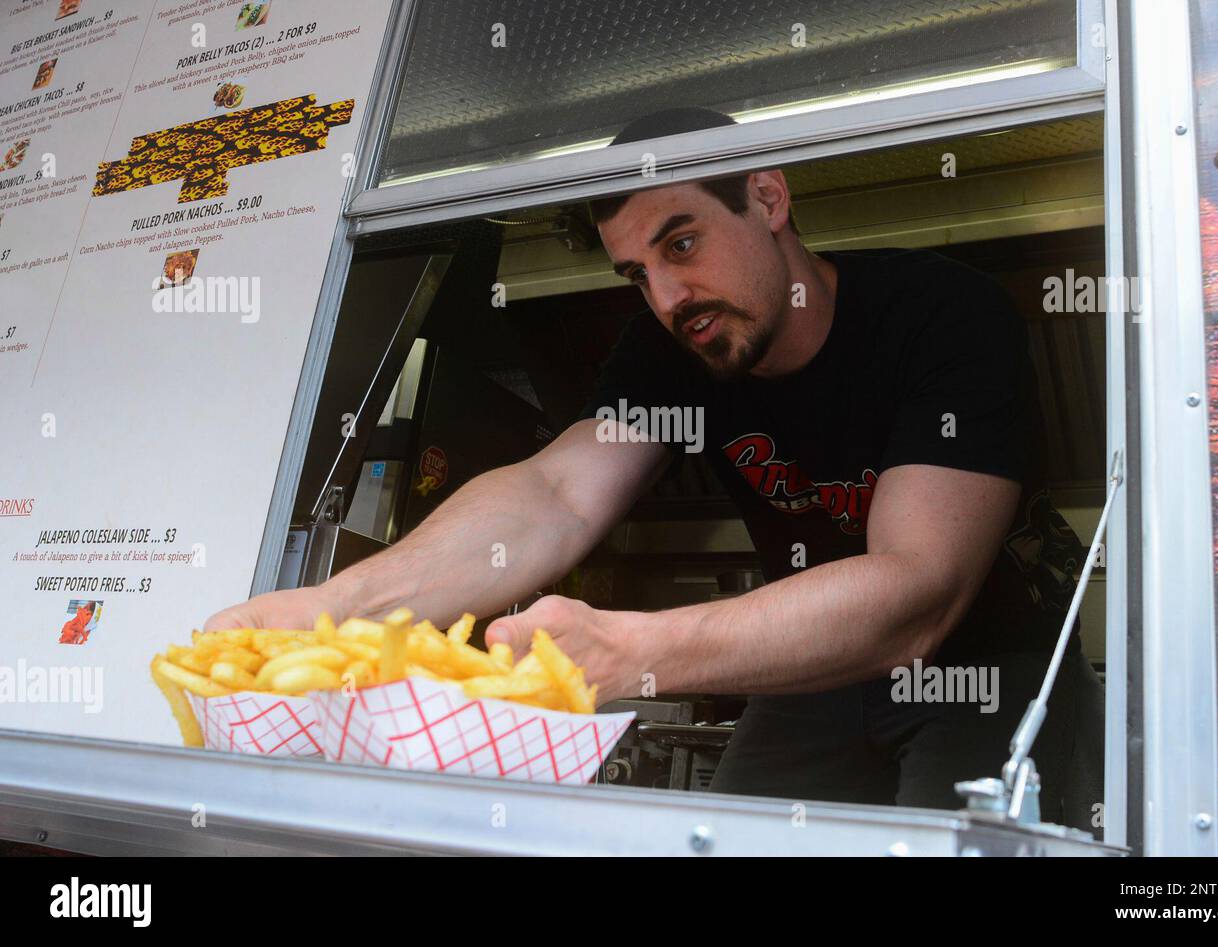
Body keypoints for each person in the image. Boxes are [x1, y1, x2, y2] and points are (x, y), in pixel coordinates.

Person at [207, 108, 1103, 831]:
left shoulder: (941, 315)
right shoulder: (673, 350)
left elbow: (916, 596)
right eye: (637, 273)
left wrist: (633, 650)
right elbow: (555, 494)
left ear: (768, 196)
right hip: (818, 671)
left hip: (989, 664)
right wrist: (328, 613)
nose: (670, 299)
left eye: (682, 244)